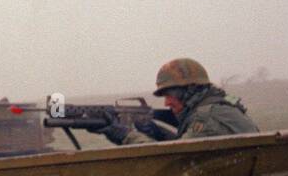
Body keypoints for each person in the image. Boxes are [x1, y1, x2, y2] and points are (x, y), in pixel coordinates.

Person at [96, 57, 258, 144]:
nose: (166, 103)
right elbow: (187, 147)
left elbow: (171, 159)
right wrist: (157, 133)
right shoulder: (221, 105)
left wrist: (125, 135)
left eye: (170, 94)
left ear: (190, 90)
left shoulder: (208, 117)